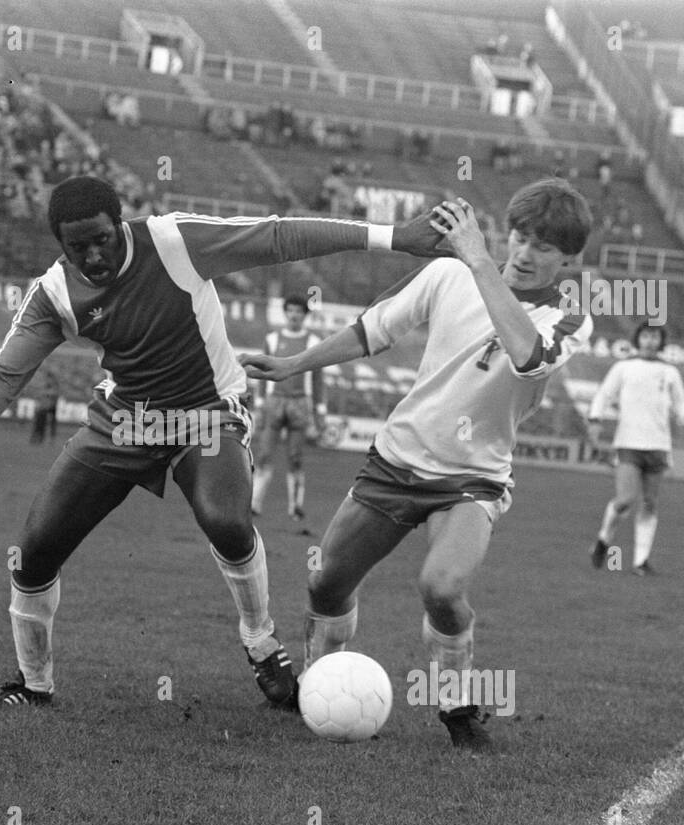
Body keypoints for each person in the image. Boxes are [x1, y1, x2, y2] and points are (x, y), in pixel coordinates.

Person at [0, 175, 448, 707]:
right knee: (34, 552)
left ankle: (259, 638)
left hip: (205, 415)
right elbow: (6, 369)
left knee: (227, 520)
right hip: (124, 423)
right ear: (61, 246)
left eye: (102, 239)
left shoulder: (173, 242)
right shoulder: (56, 293)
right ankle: (33, 684)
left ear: (121, 223)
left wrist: (395, 237)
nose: (93, 255)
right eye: (77, 246)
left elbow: (279, 237)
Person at [242, 179, 595, 750]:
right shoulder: (445, 275)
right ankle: (319, 683)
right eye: (521, 238)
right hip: (397, 460)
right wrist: (292, 365)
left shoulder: (570, 318)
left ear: (570, 260)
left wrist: (480, 261)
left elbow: (529, 359)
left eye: (545, 247)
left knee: (442, 585)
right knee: (326, 583)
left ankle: (456, 705)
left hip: (471, 480)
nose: (526, 254)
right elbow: (372, 330)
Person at [588, 322, 684, 576]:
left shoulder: (669, 371)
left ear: (661, 341)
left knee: (649, 503)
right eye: (646, 336)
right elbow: (604, 394)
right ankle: (604, 538)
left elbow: (681, 402)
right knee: (626, 499)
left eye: (655, 336)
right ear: (638, 339)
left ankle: (640, 561)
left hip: (659, 444)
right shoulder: (623, 367)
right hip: (629, 442)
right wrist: (595, 419)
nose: (650, 341)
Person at [251, 294, 324, 525]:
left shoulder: (313, 342)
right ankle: (254, 504)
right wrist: (260, 404)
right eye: (290, 310)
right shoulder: (272, 339)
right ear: (285, 313)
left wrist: (320, 411)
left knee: (295, 457)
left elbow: (318, 378)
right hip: (275, 402)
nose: (294, 315)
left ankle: (296, 507)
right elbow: (262, 373)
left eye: (299, 312)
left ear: (305, 315)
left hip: (299, 404)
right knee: (263, 453)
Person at [30, 366, 61, 444]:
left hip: (51, 406)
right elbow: (38, 395)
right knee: (40, 422)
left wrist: (47, 394)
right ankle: (37, 437)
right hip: (43, 406)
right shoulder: (45, 385)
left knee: (50, 423)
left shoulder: (54, 385)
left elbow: (55, 394)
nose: (49, 379)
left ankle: (49, 438)